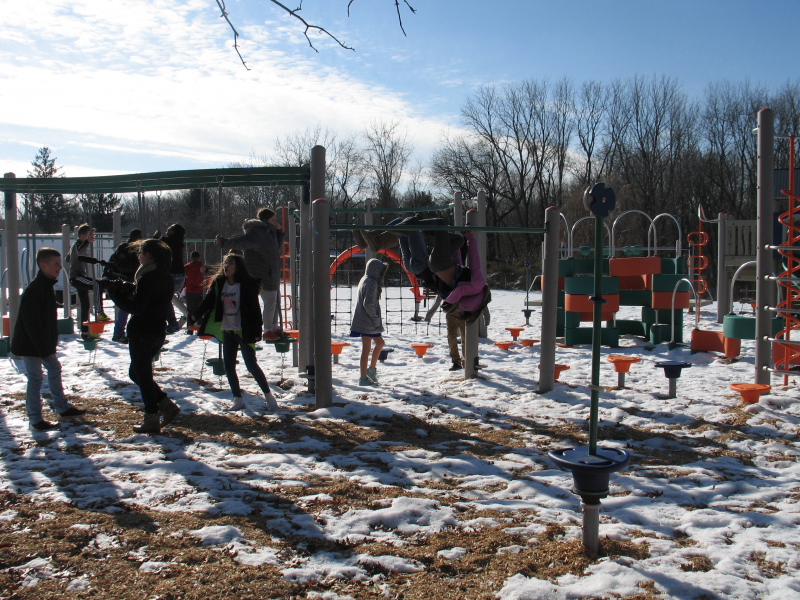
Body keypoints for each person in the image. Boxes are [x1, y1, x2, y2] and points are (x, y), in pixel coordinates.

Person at [107, 239, 180, 434]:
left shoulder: (147, 278)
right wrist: (131, 288)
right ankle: (166, 405)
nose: (138, 256)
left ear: (148, 256)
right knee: (136, 373)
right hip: (157, 332)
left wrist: (116, 295)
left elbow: (138, 307)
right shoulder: (166, 277)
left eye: (140, 253)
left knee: (143, 377)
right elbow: (152, 301)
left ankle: (152, 418)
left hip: (142, 332)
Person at [190, 253, 278, 412]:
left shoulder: (246, 285)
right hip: (228, 331)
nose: (226, 266)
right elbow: (208, 301)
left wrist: (257, 330)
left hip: (244, 331)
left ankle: (268, 396)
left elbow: (255, 309)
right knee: (229, 366)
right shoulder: (220, 284)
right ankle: (237, 399)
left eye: (230, 263)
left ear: (238, 267)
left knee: (251, 364)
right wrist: (196, 315)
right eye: (225, 263)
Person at [11, 248, 87, 431]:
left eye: (60, 263)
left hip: (38, 343)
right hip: (31, 344)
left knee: (49, 371)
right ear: (43, 265)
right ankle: (36, 419)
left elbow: (45, 321)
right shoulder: (36, 289)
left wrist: (50, 343)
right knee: (37, 378)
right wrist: (46, 349)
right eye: (56, 264)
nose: (60, 267)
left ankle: (60, 409)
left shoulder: (45, 286)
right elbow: (32, 324)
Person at [216, 208, 285, 341]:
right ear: (264, 220)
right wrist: (224, 242)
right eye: (272, 220)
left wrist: (279, 231)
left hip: (271, 275)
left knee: (275, 302)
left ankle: (274, 328)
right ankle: (268, 330)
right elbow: (241, 242)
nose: (275, 222)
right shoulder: (257, 233)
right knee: (270, 304)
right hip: (263, 275)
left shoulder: (269, 233)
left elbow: (276, 246)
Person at [350, 258, 387, 386]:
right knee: (368, 348)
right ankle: (364, 376)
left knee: (378, 343)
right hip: (368, 321)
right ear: (376, 271)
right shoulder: (372, 282)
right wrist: (376, 320)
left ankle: (370, 371)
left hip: (363, 320)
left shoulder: (364, 279)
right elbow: (368, 304)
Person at [68, 224, 108, 338]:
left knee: (85, 305)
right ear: (82, 236)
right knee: (97, 285)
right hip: (76, 277)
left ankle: (85, 331)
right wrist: (87, 243)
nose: (92, 237)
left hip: (79, 276)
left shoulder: (78, 246)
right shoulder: (78, 245)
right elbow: (79, 251)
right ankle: (100, 313)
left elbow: (70, 257)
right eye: (89, 235)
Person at [108, 228, 142, 343]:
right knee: (128, 309)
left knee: (127, 309)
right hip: (126, 283)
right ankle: (122, 333)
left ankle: (121, 333)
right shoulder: (130, 250)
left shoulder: (123, 249)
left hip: (124, 282)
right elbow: (128, 266)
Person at [161, 223, 187, 332]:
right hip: (180, 275)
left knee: (164, 298)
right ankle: (172, 322)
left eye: (170, 228)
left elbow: (155, 245)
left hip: (170, 274)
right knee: (166, 298)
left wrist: (157, 237)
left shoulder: (166, 241)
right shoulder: (179, 242)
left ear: (172, 232)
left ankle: (172, 322)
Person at [182, 251, 206, 332]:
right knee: (201, 312)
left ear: (191, 258)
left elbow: (184, 281)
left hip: (190, 292)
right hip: (201, 292)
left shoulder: (186, 267)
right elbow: (206, 279)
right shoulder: (203, 267)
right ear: (199, 258)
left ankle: (190, 330)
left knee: (190, 312)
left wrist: (182, 292)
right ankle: (201, 330)